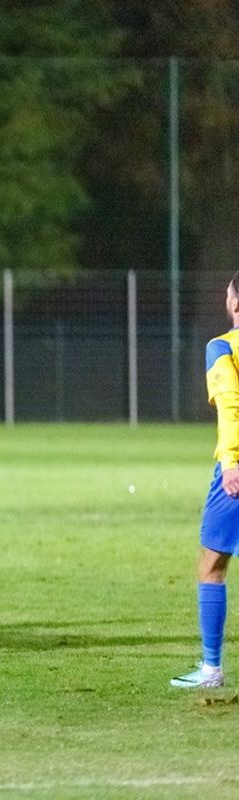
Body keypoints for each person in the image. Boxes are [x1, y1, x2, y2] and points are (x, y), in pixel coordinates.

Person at [172, 273, 239, 688]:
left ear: (234, 304)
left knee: (212, 563)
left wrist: (231, 460)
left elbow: (232, 405)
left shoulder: (222, 347)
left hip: (236, 466)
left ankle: (211, 669)